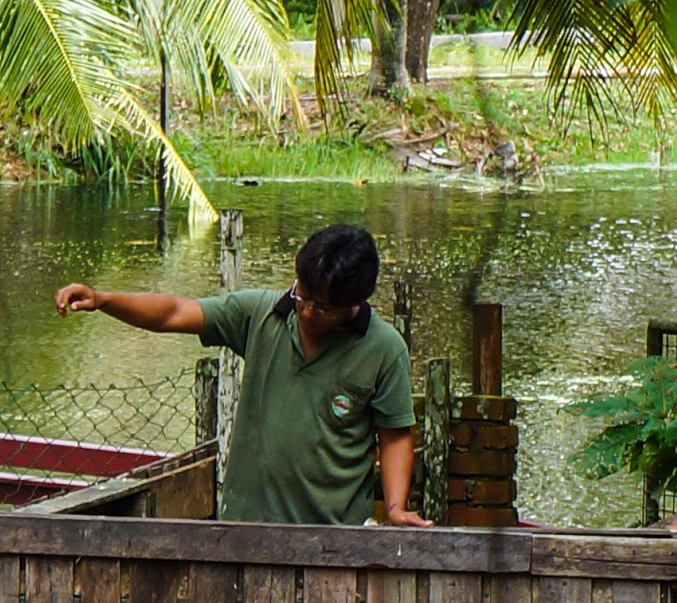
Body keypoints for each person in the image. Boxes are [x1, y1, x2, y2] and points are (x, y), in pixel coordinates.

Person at [54, 224, 431, 528]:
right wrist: (103, 300)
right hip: (244, 529)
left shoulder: (384, 348)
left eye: (322, 307)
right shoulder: (260, 315)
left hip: (334, 535)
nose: (307, 312)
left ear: (354, 304)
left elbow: (395, 435)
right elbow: (173, 313)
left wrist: (396, 507)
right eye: (303, 296)